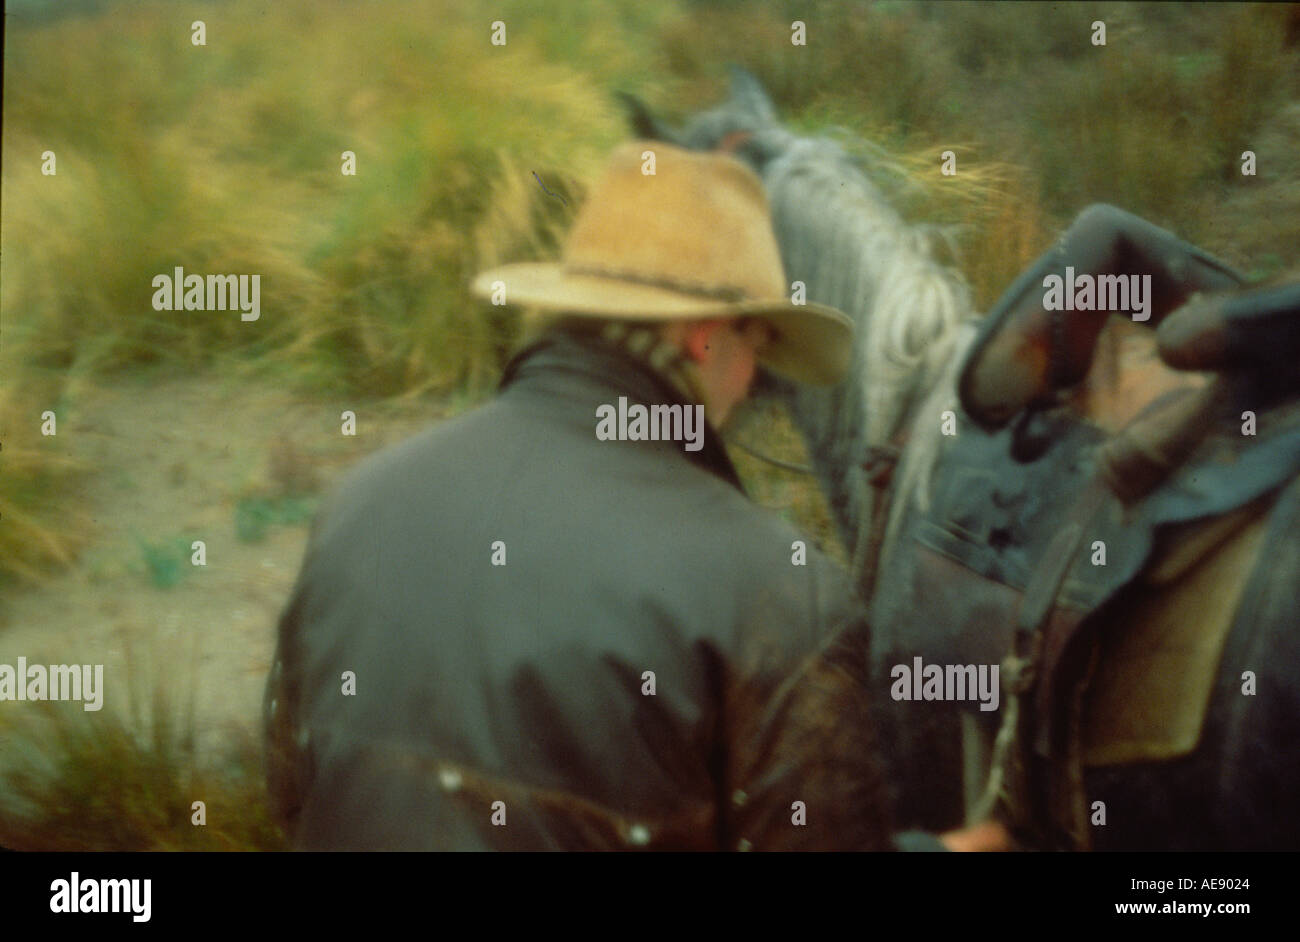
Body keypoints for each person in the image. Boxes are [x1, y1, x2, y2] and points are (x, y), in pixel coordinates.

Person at [262, 140, 900, 850]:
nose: (753, 380)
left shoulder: (358, 504)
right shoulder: (780, 596)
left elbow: (294, 794)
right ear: (705, 337)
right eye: (756, 343)